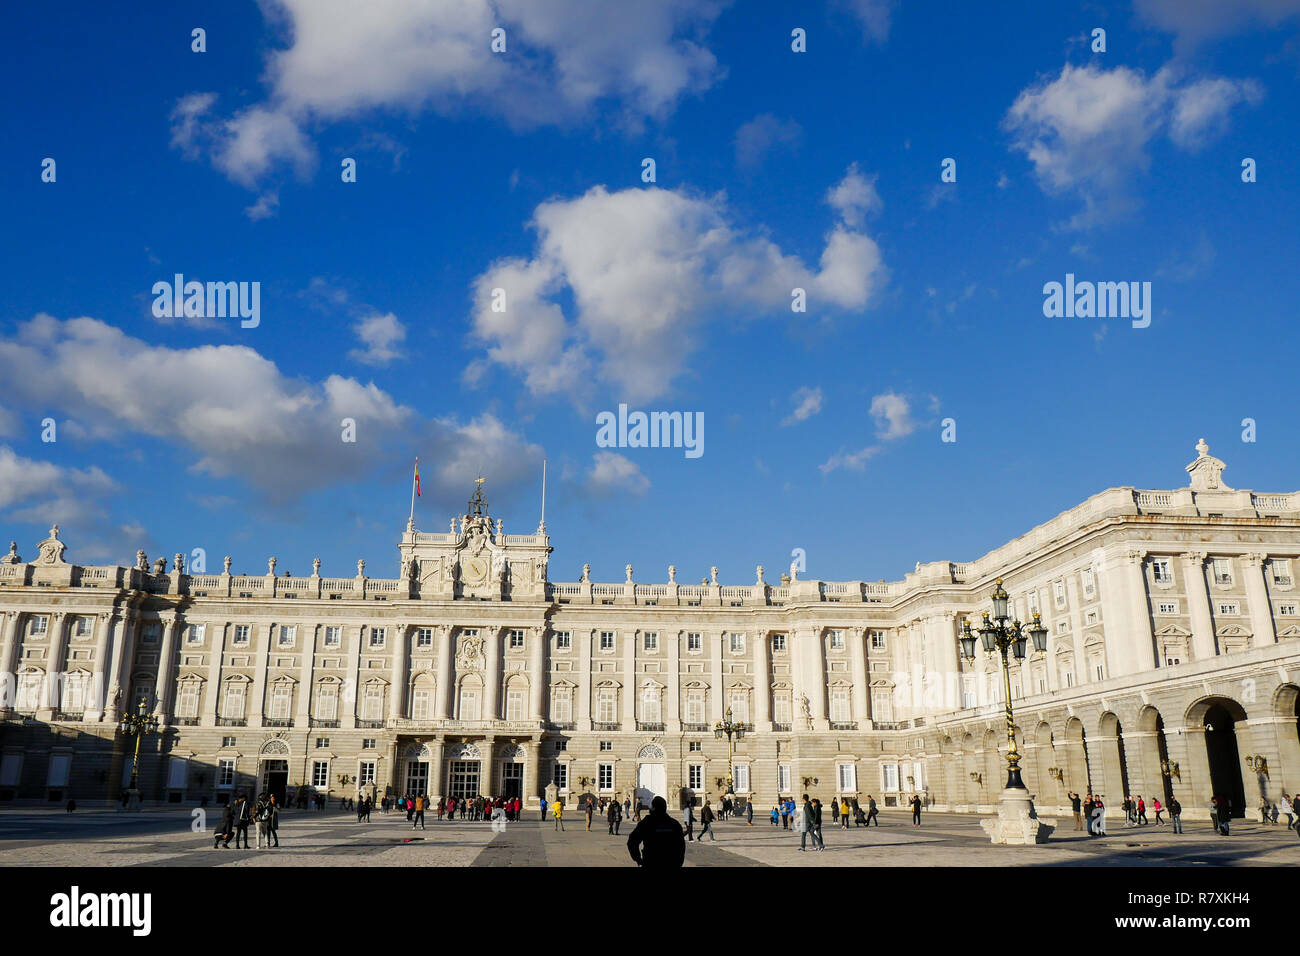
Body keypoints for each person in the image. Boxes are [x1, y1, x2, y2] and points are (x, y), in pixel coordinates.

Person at [626, 795, 686, 867]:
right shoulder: (674, 824)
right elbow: (681, 846)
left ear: (653, 808)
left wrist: (637, 859)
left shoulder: (646, 823)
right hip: (670, 862)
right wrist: (679, 862)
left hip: (651, 861)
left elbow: (632, 841)